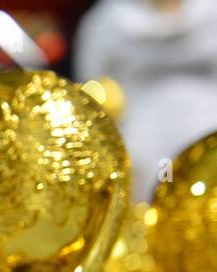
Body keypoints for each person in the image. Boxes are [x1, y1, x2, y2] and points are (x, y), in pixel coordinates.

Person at [75, 0, 217, 201]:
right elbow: (93, 88)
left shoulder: (211, 11)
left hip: (208, 136)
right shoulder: (107, 21)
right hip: (143, 144)